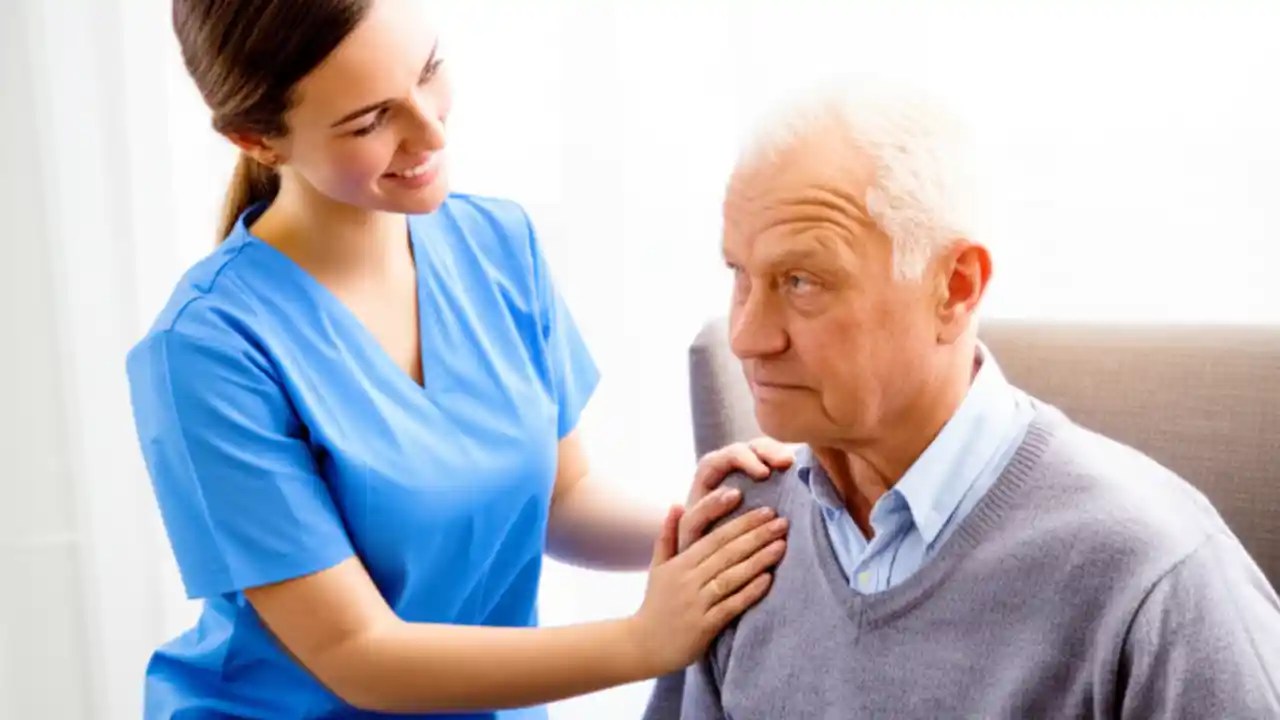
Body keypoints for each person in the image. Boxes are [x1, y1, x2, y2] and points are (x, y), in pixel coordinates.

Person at [126, 1, 796, 718]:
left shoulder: (500, 243)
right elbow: (358, 653)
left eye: (429, 71)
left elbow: (561, 502)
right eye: (371, 120)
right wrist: (643, 641)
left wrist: (725, 532)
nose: (431, 130)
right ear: (257, 139)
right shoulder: (208, 351)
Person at [645, 80, 1280, 719]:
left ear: (955, 288)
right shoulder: (739, 539)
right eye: (740, 276)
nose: (746, 335)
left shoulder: (1155, 577)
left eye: (802, 282)